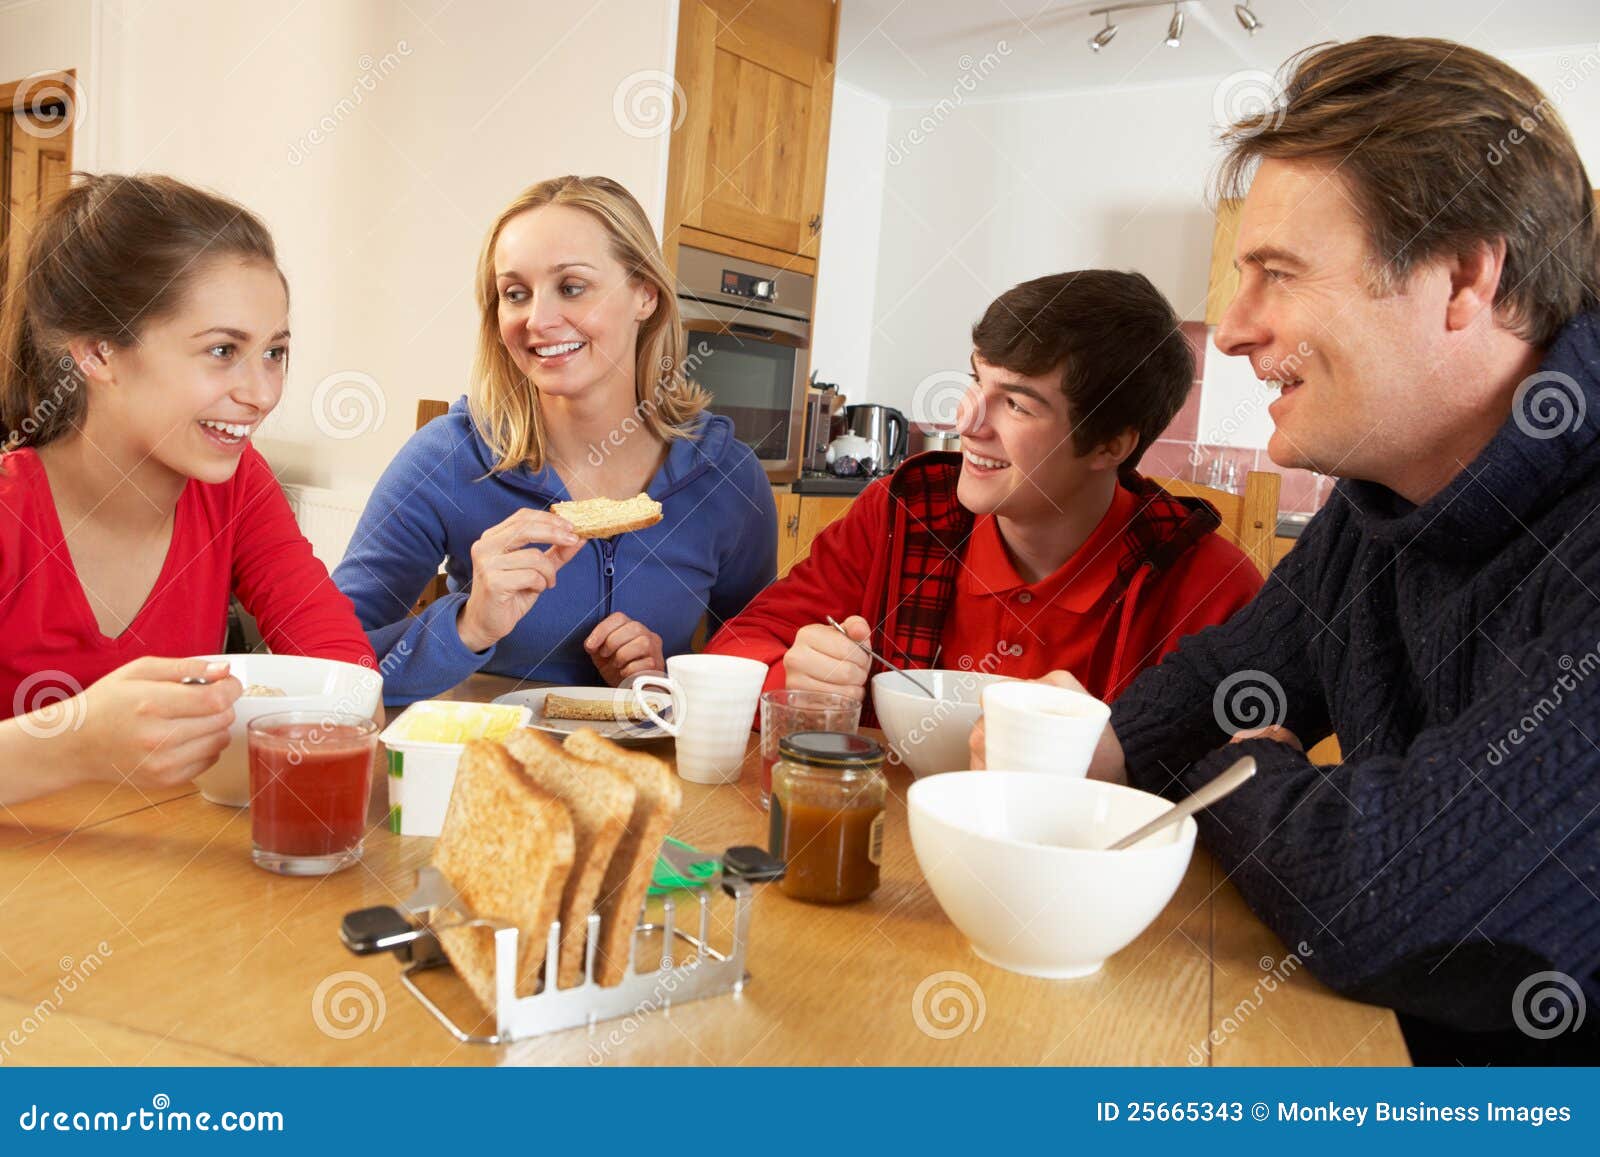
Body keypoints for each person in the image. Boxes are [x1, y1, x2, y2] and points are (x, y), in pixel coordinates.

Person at [973, 38, 1600, 1065]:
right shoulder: (1382, 499)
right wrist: (1103, 744)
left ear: (1461, 277)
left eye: (1276, 274)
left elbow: (1394, 895)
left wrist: (1243, 770)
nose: (1228, 330)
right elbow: (1230, 677)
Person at [705, 270, 1262, 716]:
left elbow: (1242, 775)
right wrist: (792, 680)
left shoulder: (1209, 587)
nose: (966, 421)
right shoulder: (899, 515)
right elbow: (732, 651)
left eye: (1016, 404)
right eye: (976, 381)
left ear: (1110, 445)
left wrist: (1109, 749)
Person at [0, 174, 375, 806]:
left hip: (162, 859)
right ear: (99, 354)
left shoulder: (236, 486)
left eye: (275, 353)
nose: (262, 394)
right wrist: (75, 743)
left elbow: (345, 673)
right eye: (223, 350)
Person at [334, 176, 775, 702]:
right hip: (488, 753)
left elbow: (754, 669)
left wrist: (667, 682)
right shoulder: (446, 458)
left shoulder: (728, 477)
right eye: (515, 294)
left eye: (571, 287)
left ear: (645, 294)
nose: (538, 321)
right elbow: (322, 664)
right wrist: (467, 627)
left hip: (647, 757)